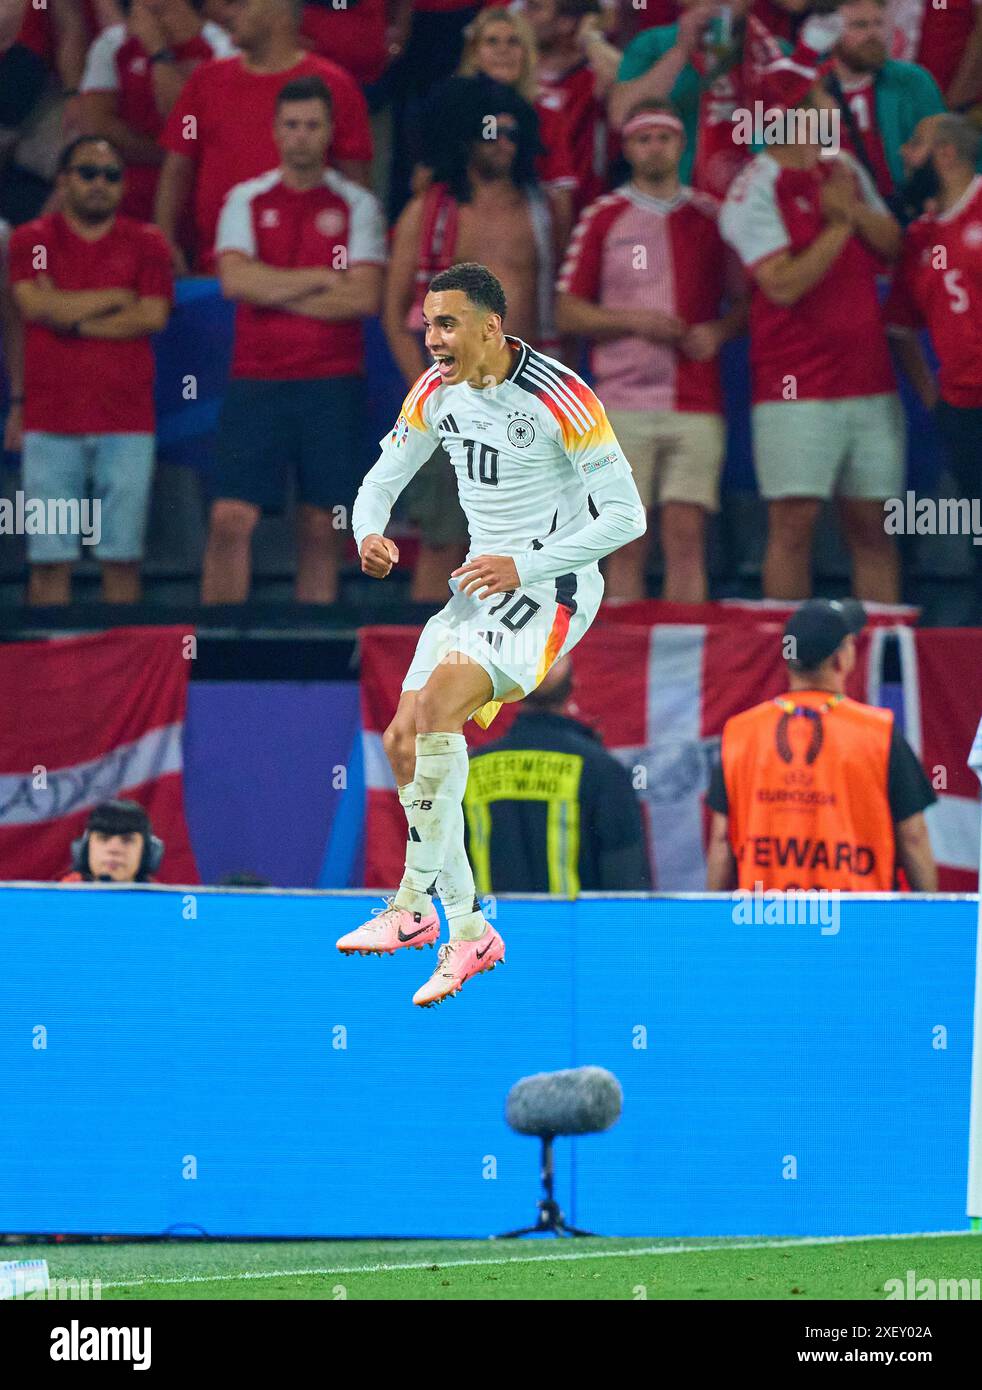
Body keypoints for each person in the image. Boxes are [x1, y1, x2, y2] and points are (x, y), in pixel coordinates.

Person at [337, 262, 647, 1006]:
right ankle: (469, 929)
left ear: (490, 327)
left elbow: (627, 517)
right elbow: (382, 475)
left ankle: (412, 908)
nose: (432, 337)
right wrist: (368, 532)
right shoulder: (433, 390)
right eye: (427, 323)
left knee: (440, 705)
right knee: (403, 742)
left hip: (554, 584)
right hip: (484, 583)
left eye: (446, 324)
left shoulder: (559, 395)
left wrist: (527, 562)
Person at [719, 56, 904, 603]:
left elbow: (892, 243)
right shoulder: (753, 190)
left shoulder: (842, 165)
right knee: (794, 524)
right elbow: (782, 285)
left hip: (869, 379)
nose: (835, 104)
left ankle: (878, 661)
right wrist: (841, 224)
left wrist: (854, 214)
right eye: (822, 95)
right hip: (794, 385)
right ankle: (789, 665)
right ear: (792, 113)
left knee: (873, 527)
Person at [204, 75, 385, 604]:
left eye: (312, 125)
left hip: (332, 382)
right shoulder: (246, 198)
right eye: (291, 125)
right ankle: (214, 653)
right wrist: (323, 277)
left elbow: (363, 298)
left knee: (321, 523)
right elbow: (237, 282)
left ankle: (312, 653)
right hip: (257, 380)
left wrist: (273, 287)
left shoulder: (358, 205)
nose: (301, 135)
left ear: (329, 131)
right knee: (230, 517)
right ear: (276, 131)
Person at [556, 101, 747, 602]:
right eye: (644, 139)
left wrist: (719, 332)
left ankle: (685, 654)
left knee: (687, 536)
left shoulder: (712, 217)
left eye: (664, 138)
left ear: (681, 146)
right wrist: (633, 321)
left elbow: (748, 303)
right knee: (623, 540)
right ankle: (622, 658)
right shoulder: (604, 216)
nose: (655, 148)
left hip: (695, 400)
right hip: (620, 403)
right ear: (627, 147)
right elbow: (566, 311)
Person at [383, 80, 561, 600]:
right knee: (444, 540)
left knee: (527, 545)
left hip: (527, 398)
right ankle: (424, 667)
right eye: (489, 132)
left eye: (511, 132)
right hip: (454, 398)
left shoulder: (545, 212)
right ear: (463, 139)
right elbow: (396, 316)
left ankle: (513, 669)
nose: (502, 142)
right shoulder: (430, 212)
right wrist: (430, 394)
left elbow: (561, 307)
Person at [7, 135, 173, 605]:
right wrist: (118, 297)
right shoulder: (32, 240)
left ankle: (123, 678)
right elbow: (34, 305)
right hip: (50, 422)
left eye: (111, 175)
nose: (100, 183)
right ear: (62, 180)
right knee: (48, 562)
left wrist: (69, 319)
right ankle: (53, 675)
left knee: (122, 559)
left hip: (126, 422)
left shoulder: (147, 242)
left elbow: (152, 316)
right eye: (87, 173)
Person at [705, 598, 938, 892]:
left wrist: (714, 922)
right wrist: (929, 921)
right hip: (858, 925)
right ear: (842, 658)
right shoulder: (879, 732)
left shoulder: (740, 732)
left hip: (765, 924)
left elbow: (721, 840)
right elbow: (913, 838)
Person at [154, 0, 373, 271]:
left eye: (240, 5)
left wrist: (350, 265)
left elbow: (356, 185)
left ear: (278, 11)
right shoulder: (204, 83)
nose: (226, 13)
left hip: (312, 276)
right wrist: (164, 244)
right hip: (218, 271)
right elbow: (177, 168)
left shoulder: (336, 87)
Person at [463, 653, 652, 894]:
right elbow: (627, 884)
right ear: (573, 687)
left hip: (489, 929)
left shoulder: (471, 769)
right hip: (574, 930)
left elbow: (443, 868)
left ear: (515, 689)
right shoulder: (602, 769)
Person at [78, 0, 236, 235]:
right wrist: (176, 156)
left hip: (196, 186)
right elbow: (99, 128)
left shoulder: (222, 47)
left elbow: (190, 122)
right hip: (126, 185)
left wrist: (159, 53)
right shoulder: (113, 42)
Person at [827, 0, 945, 201]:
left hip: (909, 209)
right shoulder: (805, 89)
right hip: (834, 215)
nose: (873, 35)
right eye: (860, 25)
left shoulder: (913, 81)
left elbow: (950, 151)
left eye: (879, 24)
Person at [61, 799, 165, 882]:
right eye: (103, 838)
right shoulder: (59, 900)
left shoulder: (164, 904)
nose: (114, 849)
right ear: (85, 849)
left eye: (127, 840)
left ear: (147, 853)